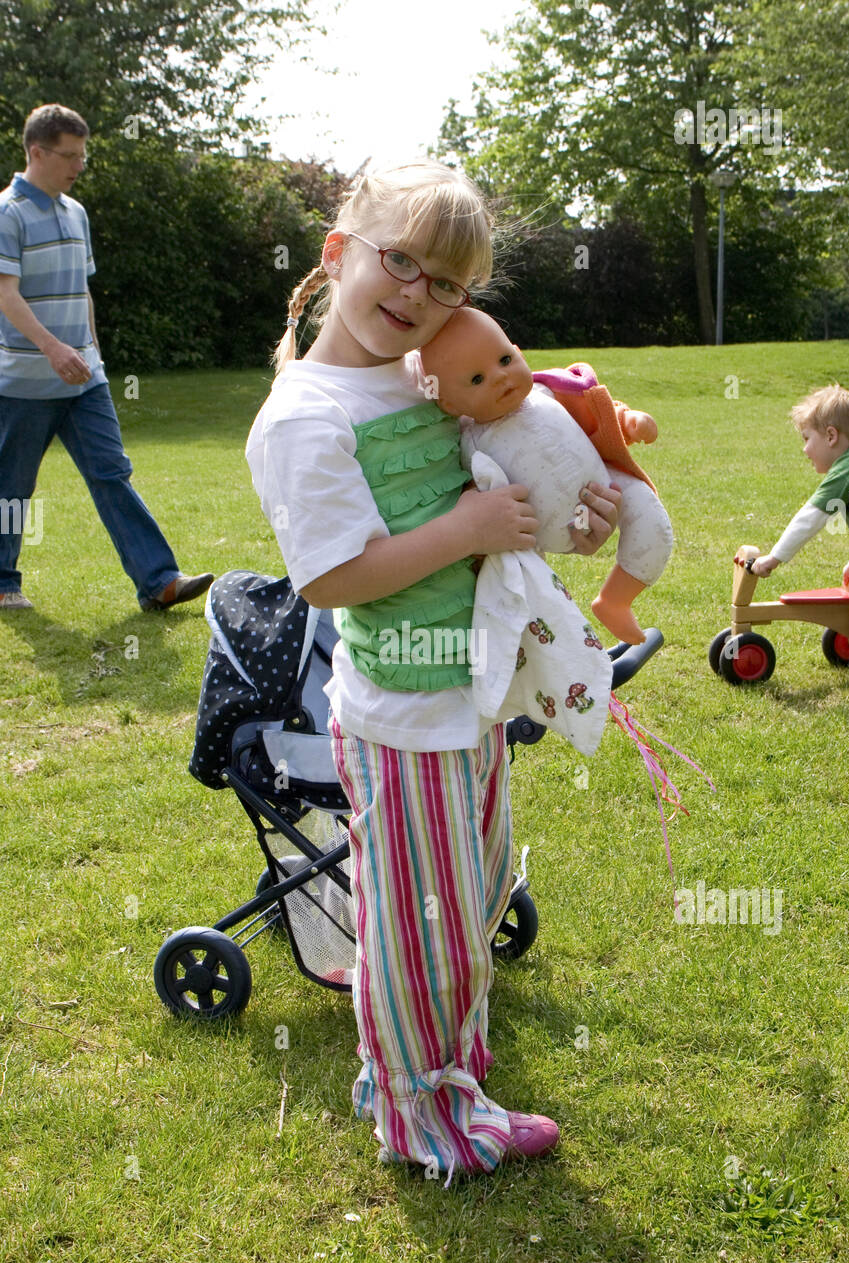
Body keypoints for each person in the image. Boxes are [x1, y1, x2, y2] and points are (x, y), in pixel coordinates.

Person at [245, 160, 621, 1182]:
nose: (416, 293)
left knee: (474, 894)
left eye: (446, 283)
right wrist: (462, 527)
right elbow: (328, 577)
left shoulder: (419, 372)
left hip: (471, 693)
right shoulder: (305, 413)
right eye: (397, 260)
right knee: (423, 927)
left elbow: (505, 490)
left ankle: (437, 1064)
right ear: (336, 257)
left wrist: (572, 517)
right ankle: (424, 1114)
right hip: (401, 715)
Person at [0, 104, 213, 611]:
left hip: (84, 380)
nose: (78, 166)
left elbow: (82, 292)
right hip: (24, 383)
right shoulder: (8, 214)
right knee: (11, 488)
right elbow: (6, 295)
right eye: (70, 155)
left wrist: (92, 355)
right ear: (37, 152)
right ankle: (3, 582)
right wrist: (52, 349)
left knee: (111, 472)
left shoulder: (77, 213)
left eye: (82, 156)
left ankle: (159, 582)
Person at [420, 306, 673, 644]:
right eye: (477, 379)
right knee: (529, 592)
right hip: (539, 534)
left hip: (603, 491)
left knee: (650, 515)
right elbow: (471, 496)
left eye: (505, 360)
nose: (499, 376)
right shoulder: (469, 443)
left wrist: (627, 421)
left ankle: (616, 599)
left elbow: (592, 412)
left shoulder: (545, 392)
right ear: (450, 405)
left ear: (518, 352)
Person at [749, 385, 849, 587]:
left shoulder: (847, 469)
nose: (805, 449)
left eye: (807, 438)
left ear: (831, 436)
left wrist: (774, 558)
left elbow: (811, 516)